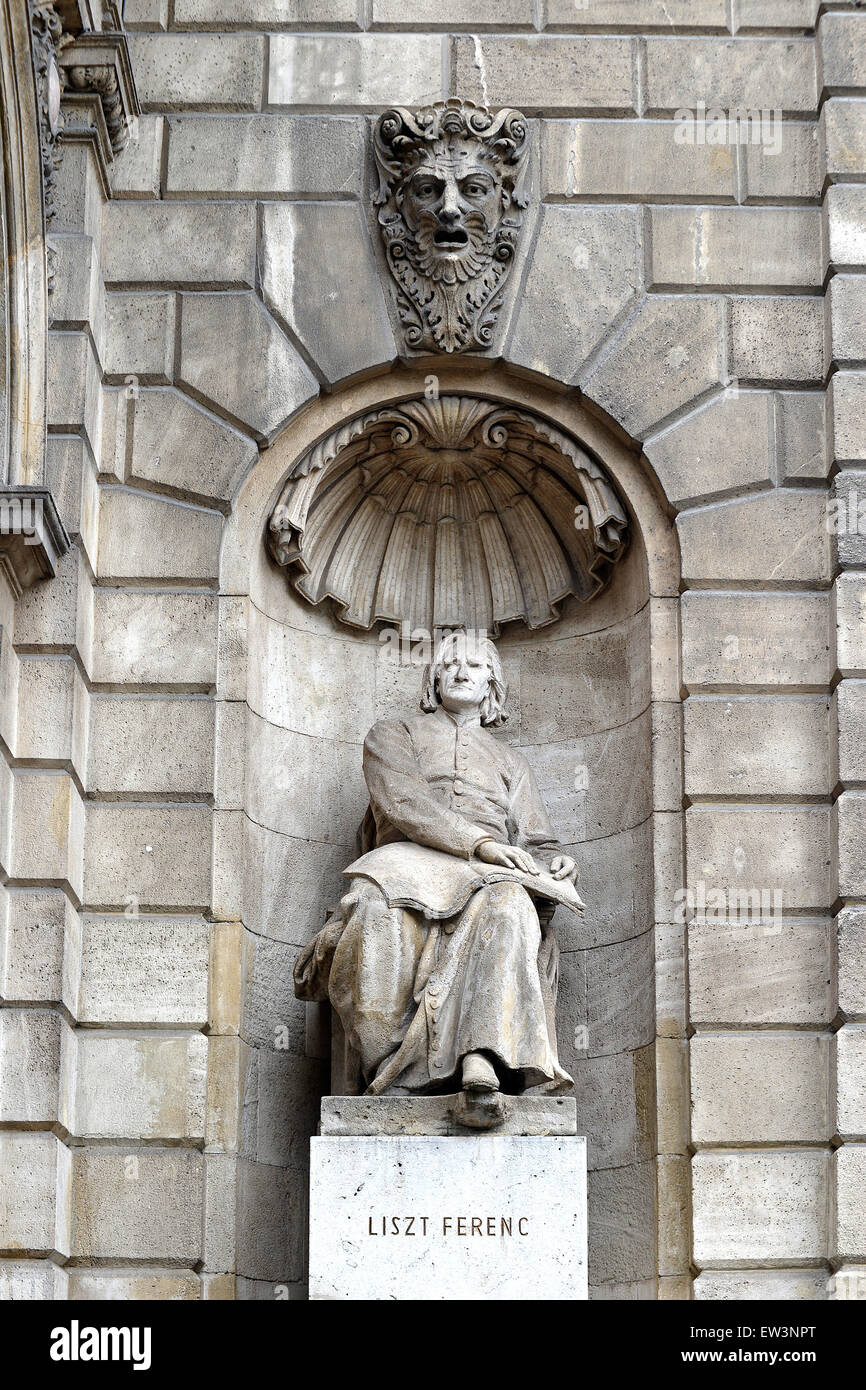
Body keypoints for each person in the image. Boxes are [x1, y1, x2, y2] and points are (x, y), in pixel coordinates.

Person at [294, 630, 580, 1114]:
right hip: (404, 859)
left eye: (474, 665)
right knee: (373, 908)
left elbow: (536, 837)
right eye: (449, 665)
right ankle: (391, 1071)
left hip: (491, 874)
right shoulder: (392, 734)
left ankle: (481, 1058)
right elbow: (402, 802)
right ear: (434, 679)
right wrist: (481, 844)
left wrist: (557, 861)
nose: (461, 672)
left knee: (509, 904)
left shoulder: (511, 762)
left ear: (493, 681)